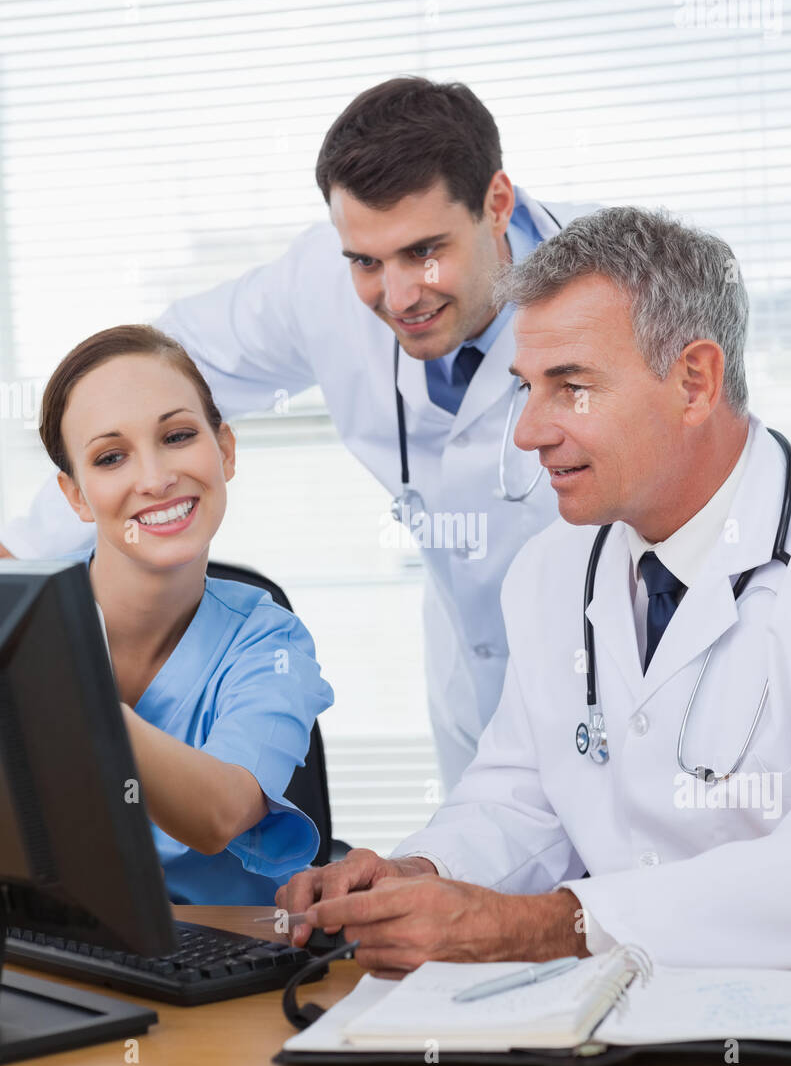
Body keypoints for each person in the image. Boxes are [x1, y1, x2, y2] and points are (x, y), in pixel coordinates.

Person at [277, 206, 791, 974]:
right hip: (611, 1029)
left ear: (695, 382)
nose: (527, 432)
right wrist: (419, 875)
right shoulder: (553, 568)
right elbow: (520, 797)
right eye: (527, 386)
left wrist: (553, 926)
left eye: (571, 387)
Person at [0, 77, 595, 789]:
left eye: (424, 252)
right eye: (367, 262)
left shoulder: (612, 283)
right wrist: (23, 558)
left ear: (496, 204)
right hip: (475, 685)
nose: (398, 296)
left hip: (609, 675)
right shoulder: (321, 280)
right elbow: (151, 375)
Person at [35, 324, 333, 905]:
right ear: (75, 495)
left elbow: (218, 815)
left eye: (176, 436)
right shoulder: (20, 625)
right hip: (45, 966)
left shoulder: (271, 645)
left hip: (217, 974)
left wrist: (77, 700)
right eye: (111, 456)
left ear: (224, 450)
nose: (154, 478)